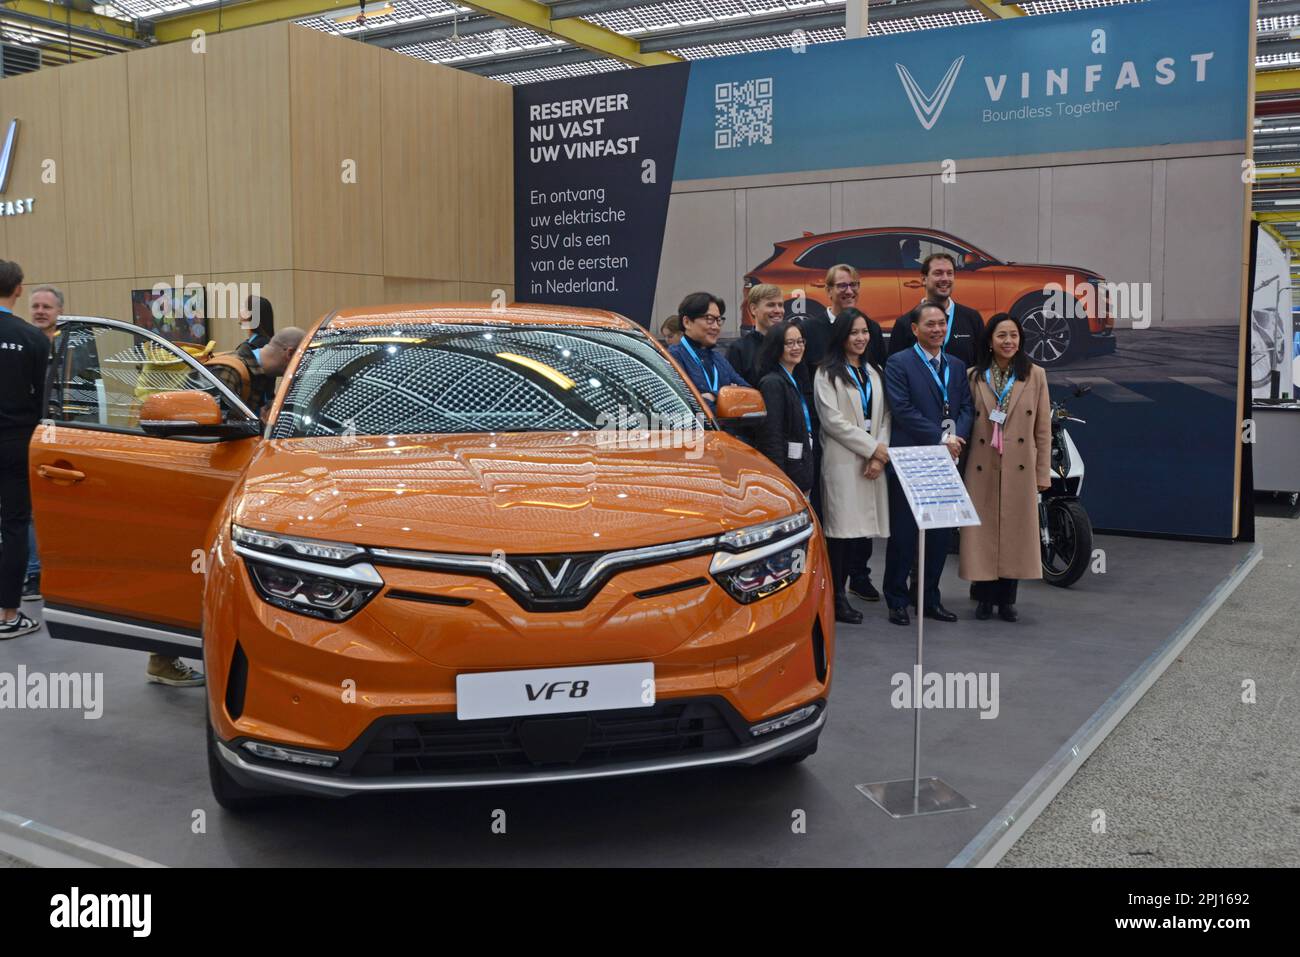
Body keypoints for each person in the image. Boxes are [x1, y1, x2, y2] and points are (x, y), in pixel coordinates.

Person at [882, 302, 974, 626]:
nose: (937, 329)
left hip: (946, 461)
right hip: (911, 459)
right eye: (930, 324)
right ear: (915, 329)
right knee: (905, 536)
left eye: (941, 324)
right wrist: (941, 437)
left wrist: (957, 437)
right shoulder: (898, 363)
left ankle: (928, 597)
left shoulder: (957, 365)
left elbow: (966, 408)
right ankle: (896, 598)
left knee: (938, 537)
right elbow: (903, 409)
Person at [960, 313, 1051, 622]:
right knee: (982, 532)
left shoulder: (1035, 374)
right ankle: (983, 597)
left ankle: (1007, 600)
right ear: (990, 340)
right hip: (982, 464)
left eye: (1013, 335)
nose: (1008, 341)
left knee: (1014, 531)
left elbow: (1042, 428)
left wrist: (1042, 473)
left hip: (1019, 465)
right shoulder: (974, 375)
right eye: (1002, 336)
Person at [814, 308, 891, 624]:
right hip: (844, 462)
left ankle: (847, 590)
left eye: (864, 332)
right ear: (842, 337)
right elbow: (833, 422)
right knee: (840, 534)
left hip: (872, 461)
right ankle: (836, 597)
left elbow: (886, 415)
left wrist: (879, 454)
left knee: (859, 533)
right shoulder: (826, 373)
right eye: (854, 333)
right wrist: (874, 449)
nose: (861, 338)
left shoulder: (874, 371)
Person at [0, 260, 50, 639]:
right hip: (16, 442)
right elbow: (45, 402)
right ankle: (8, 614)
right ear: (19, 289)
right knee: (15, 525)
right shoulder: (33, 339)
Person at [22, 285, 63, 602]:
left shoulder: (71, 347)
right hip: (25, 435)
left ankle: (44, 571)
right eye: (35, 305)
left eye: (46, 307)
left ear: (58, 311)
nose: (39, 311)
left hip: (59, 436)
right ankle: (33, 571)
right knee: (26, 508)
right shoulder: (23, 344)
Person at [888, 253, 986, 366]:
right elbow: (895, 370)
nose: (945, 278)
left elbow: (981, 367)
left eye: (949, 273)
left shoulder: (972, 318)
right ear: (924, 279)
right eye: (938, 273)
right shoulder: (905, 323)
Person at [754, 321, 815, 496]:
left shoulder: (794, 378)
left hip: (800, 468)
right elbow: (771, 436)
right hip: (786, 476)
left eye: (800, 341)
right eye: (789, 343)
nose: (797, 347)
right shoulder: (772, 382)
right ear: (776, 347)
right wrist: (781, 481)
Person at [667, 292, 748, 412]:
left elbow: (748, 393)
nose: (716, 326)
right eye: (709, 319)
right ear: (687, 322)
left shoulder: (718, 359)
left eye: (719, 320)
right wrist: (728, 394)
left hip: (723, 430)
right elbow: (685, 404)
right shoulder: (672, 357)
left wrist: (714, 396)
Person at [799, 264, 887, 369]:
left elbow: (881, 368)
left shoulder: (872, 328)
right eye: (842, 285)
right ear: (828, 290)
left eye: (853, 284)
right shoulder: (808, 330)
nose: (849, 291)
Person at [207, 327, 305, 417]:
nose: (302, 367)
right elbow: (214, 428)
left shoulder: (263, 375)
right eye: (303, 360)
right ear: (290, 353)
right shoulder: (230, 371)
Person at [728, 284, 784, 385]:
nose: (778, 310)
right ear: (753, 309)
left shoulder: (790, 345)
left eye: (780, 305)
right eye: (770, 305)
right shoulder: (738, 350)